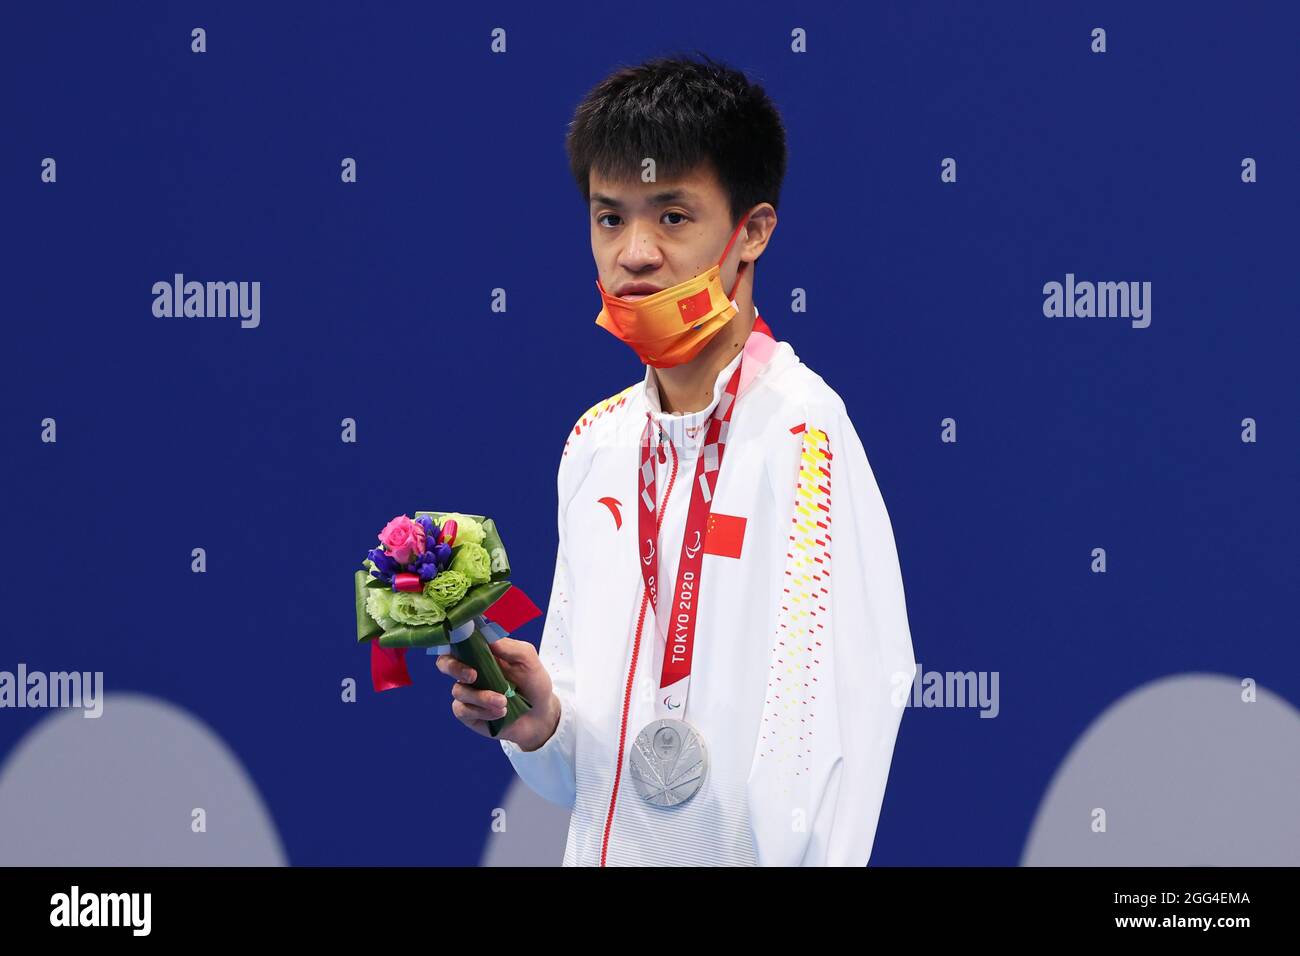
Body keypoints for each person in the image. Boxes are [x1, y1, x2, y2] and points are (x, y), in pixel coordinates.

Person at [437, 52, 917, 866]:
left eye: (671, 216)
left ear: (751, 232)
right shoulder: (595, 443)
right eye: (610, 218)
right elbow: (580, 774)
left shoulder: (804, 436)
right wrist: (544, 723)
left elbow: (837, 731)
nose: (634, 253)